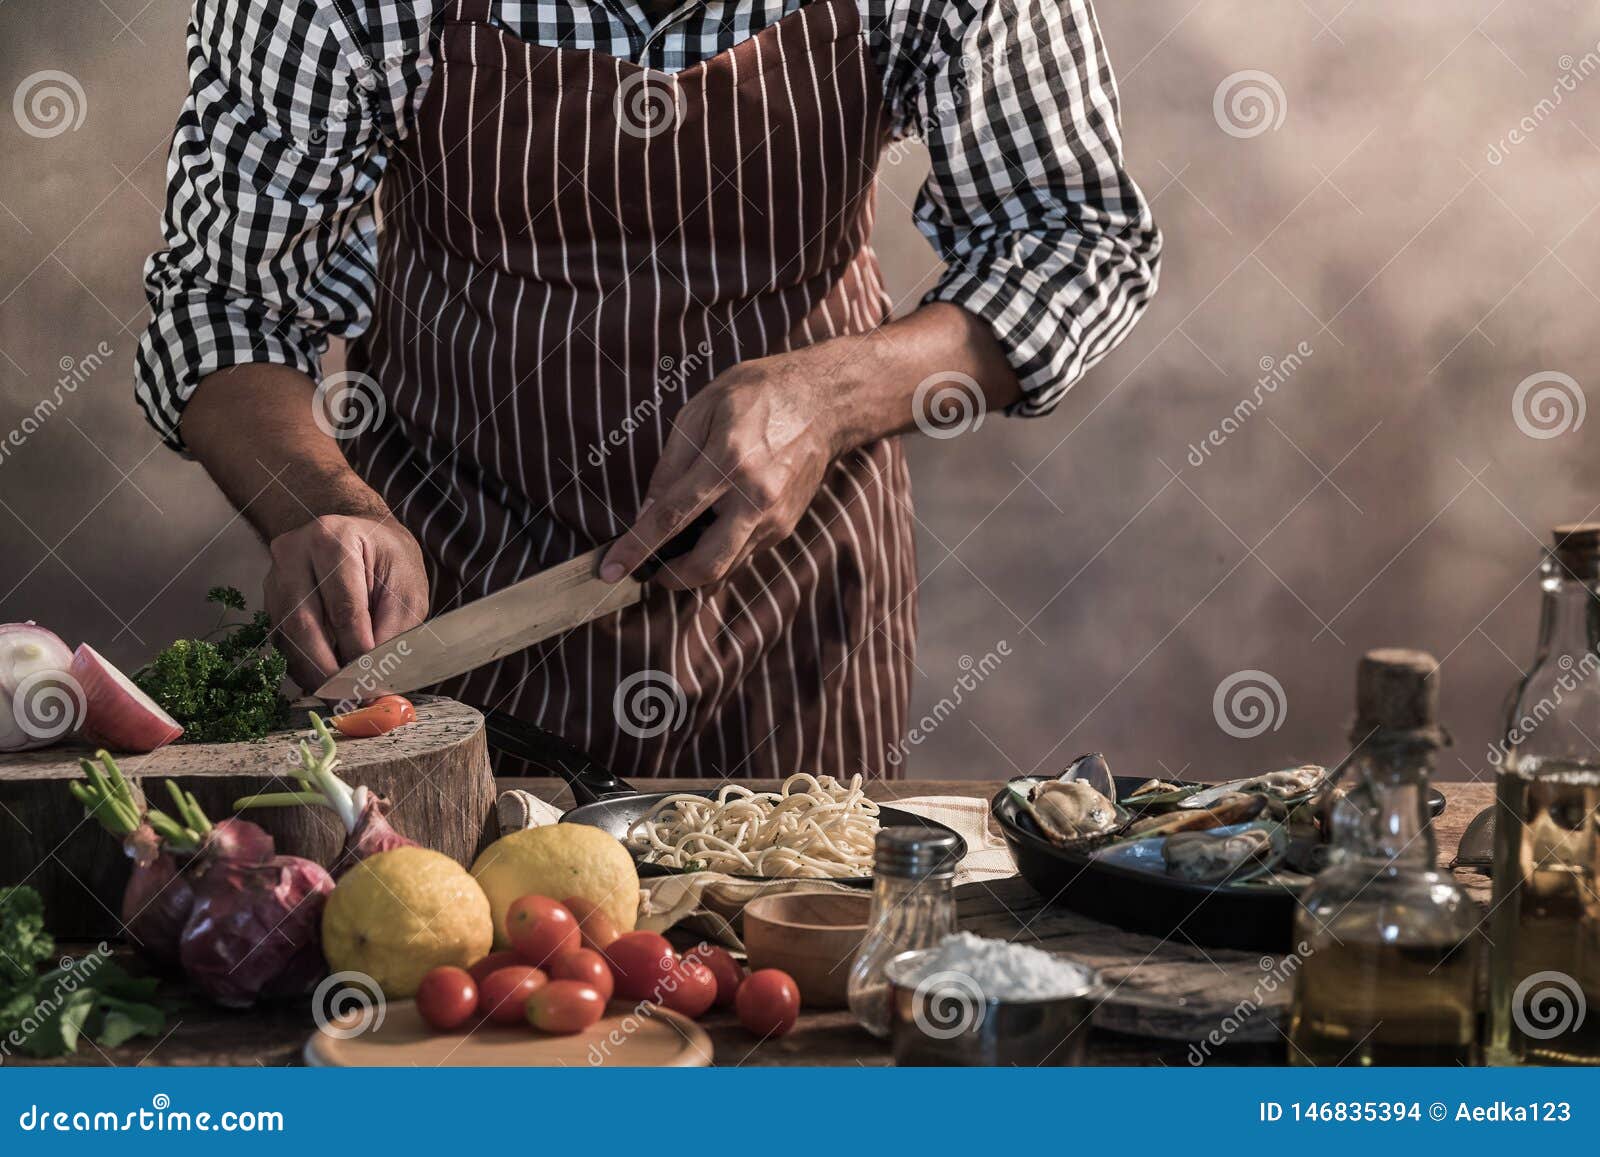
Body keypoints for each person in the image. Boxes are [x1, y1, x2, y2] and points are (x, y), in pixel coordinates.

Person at [134, 0, 1160, 777]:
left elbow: (1070, 235)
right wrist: (324, 509)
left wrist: (835, 393)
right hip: (455, 611)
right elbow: (223, 302)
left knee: (799, 1028)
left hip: (797, 619)